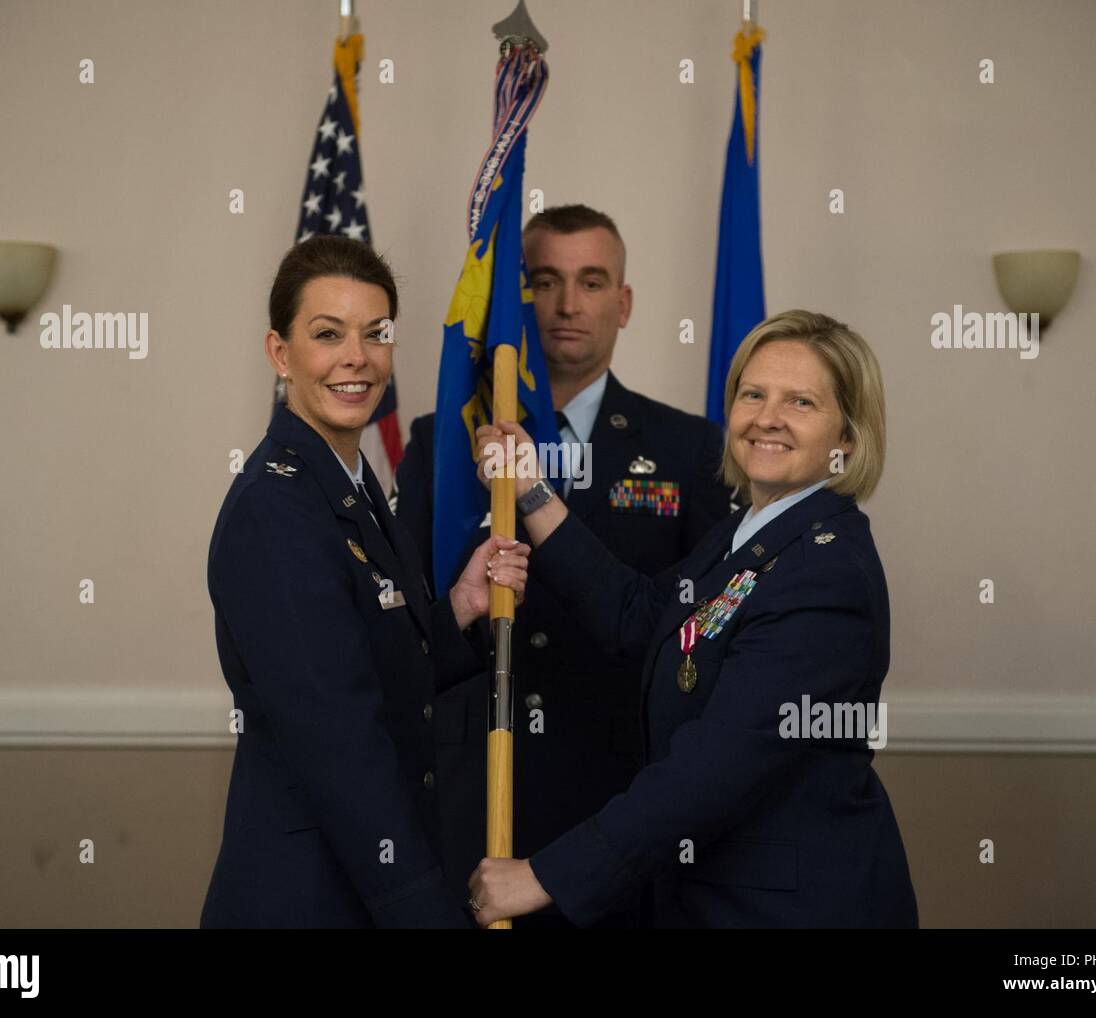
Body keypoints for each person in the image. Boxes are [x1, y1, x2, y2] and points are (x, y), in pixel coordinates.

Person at [467, 310, 919, 928]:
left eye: (801, 402)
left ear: (847, 437)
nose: (767, 417)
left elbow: (716, 768)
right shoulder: (749, 534)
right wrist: (531, 491)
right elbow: (641, 617)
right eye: (753, 394)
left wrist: (546, 875)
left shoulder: (825, 572)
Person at [394, 205, 732, 926]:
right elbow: (406, 621)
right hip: (476, 791)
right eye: (544, 281)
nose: (568, 305)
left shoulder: (690, 450)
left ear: (625, 301)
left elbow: (698, 636)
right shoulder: (443, 442)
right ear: (518, 298)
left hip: (615, 796)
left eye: (591, 281)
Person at [199, 236, 530, 928]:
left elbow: (379, 675)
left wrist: (459, 612)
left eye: (376, 334)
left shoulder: (351, 488)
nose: (358, 357)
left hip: (358, 883)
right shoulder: (277, 510)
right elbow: (339, 741)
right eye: (328, 334)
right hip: (309, 896)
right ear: (280, 354)